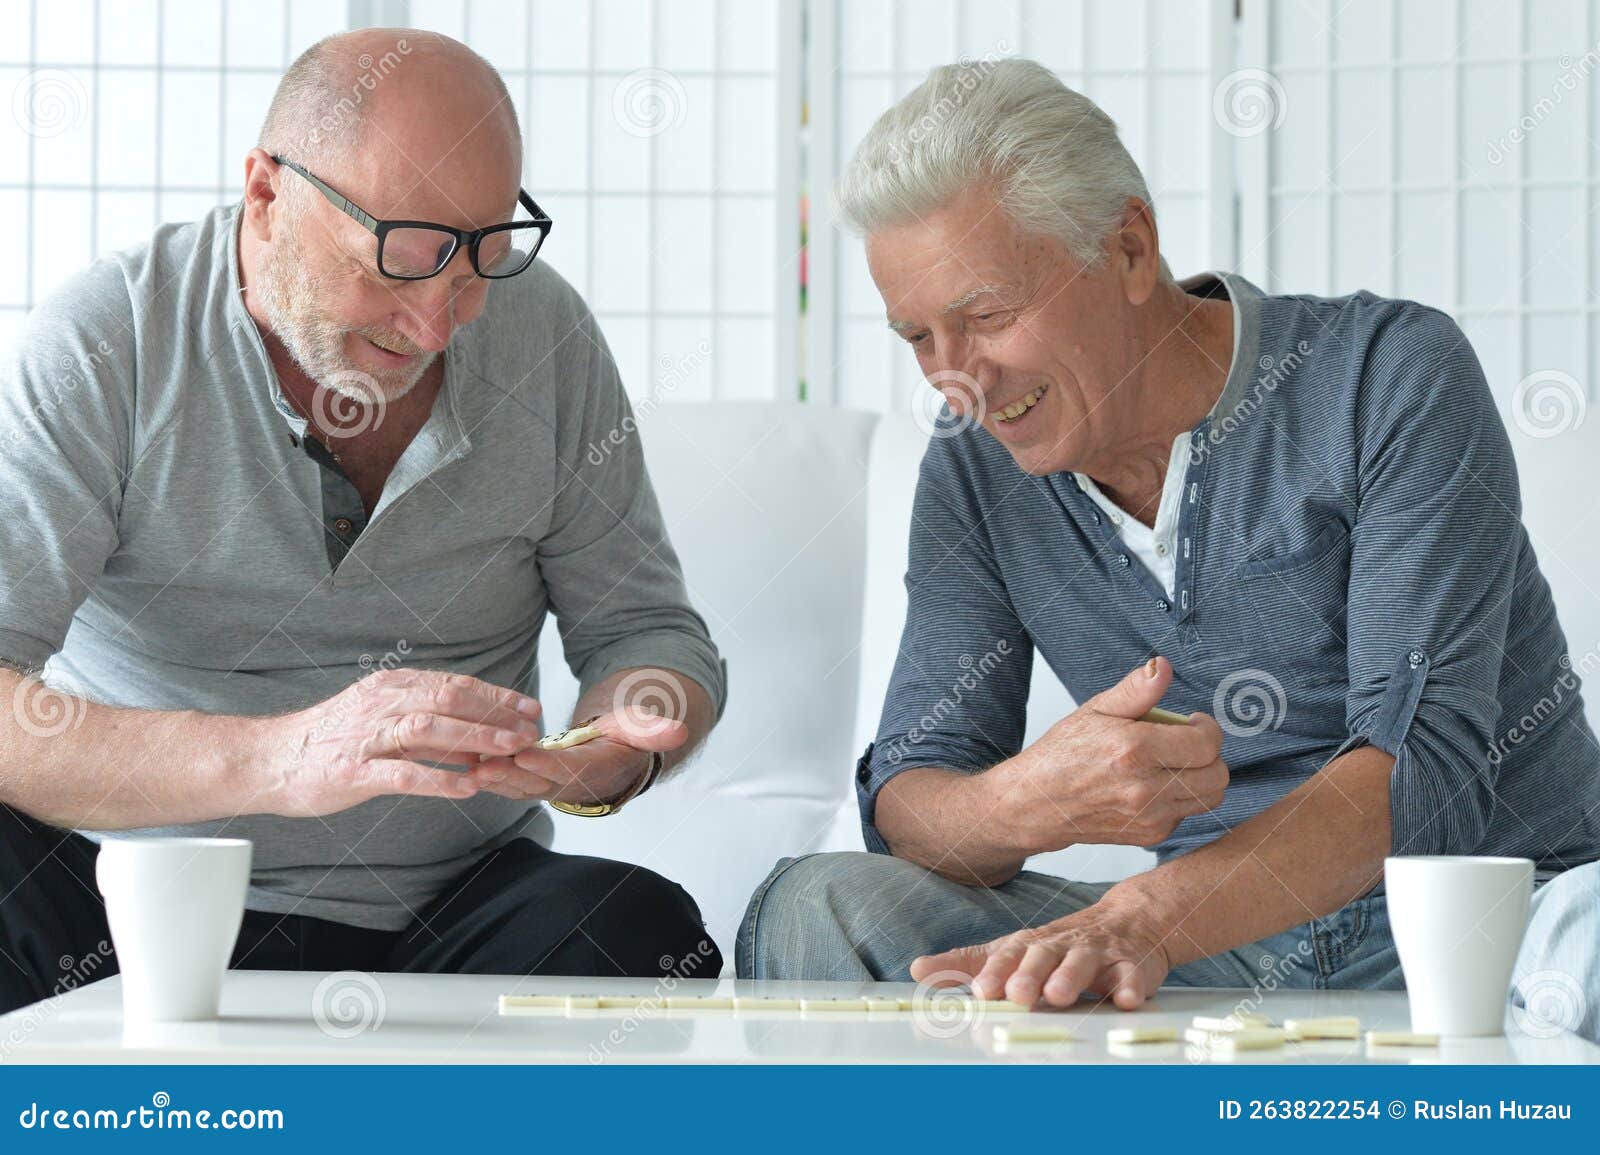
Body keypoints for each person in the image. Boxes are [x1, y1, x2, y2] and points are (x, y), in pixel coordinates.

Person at [738, 58, 1600, 1042]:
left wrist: (1142, 915)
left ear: (1131, 250)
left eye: (985, 317)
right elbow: (909, 799)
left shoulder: (1385, 375)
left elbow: (1420, 776)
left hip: (1482, 923)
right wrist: (1027, 803)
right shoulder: (975, 474)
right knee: (817, 905)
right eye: (917, 337)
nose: (955, 379)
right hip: (1210, 950)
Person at [0, 29, 726, 1016]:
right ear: (266, 194)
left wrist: (616, 745)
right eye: (394, 263)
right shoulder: (105, 343)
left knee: (641, 931)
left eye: (477, 262)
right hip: (121, 903)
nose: (435, 324)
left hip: (447, 915)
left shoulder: (543, 334)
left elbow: (648, 635)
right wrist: (285, 759)